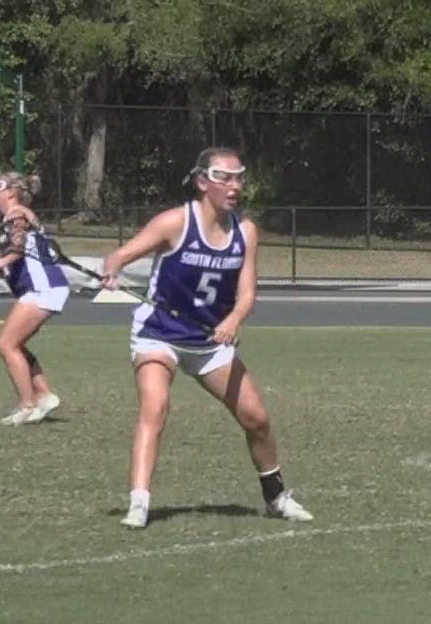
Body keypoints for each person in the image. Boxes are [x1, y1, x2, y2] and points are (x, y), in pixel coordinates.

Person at [100, 147, 312, 529]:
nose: (234, 186)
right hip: (159, 333)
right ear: (202, 182)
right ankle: (139, 502)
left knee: (257, 418)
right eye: (224, 178)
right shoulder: (175, 222)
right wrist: (112, 272)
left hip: (210, 341)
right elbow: (118, 258)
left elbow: (247, 293)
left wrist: (233, 320)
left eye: (239, 177)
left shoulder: (245, 231)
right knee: (155, 408)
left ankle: (276, 498)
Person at [0, 171, 66, 426]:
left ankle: (27, 405)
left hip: (42, 287)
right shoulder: (18, 215)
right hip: (44, 286)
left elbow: (18, 247)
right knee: (16, 344)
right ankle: (44, 395)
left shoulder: (16, 214)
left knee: (6, 344)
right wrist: (2, 268)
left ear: (10, 192)